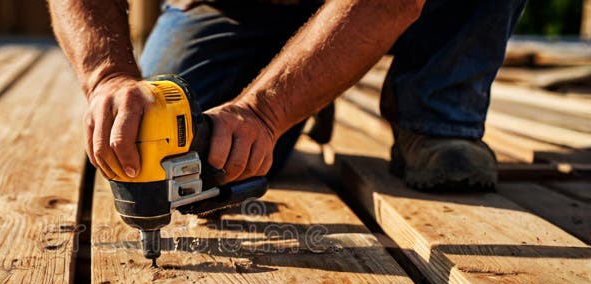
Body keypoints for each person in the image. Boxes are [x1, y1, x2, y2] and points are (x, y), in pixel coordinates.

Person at [48, 0, 525, 191]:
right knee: (180, 143)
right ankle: (315, 70)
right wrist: (106, 75)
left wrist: (266, 110)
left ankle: (438, 114)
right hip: (233, 5)